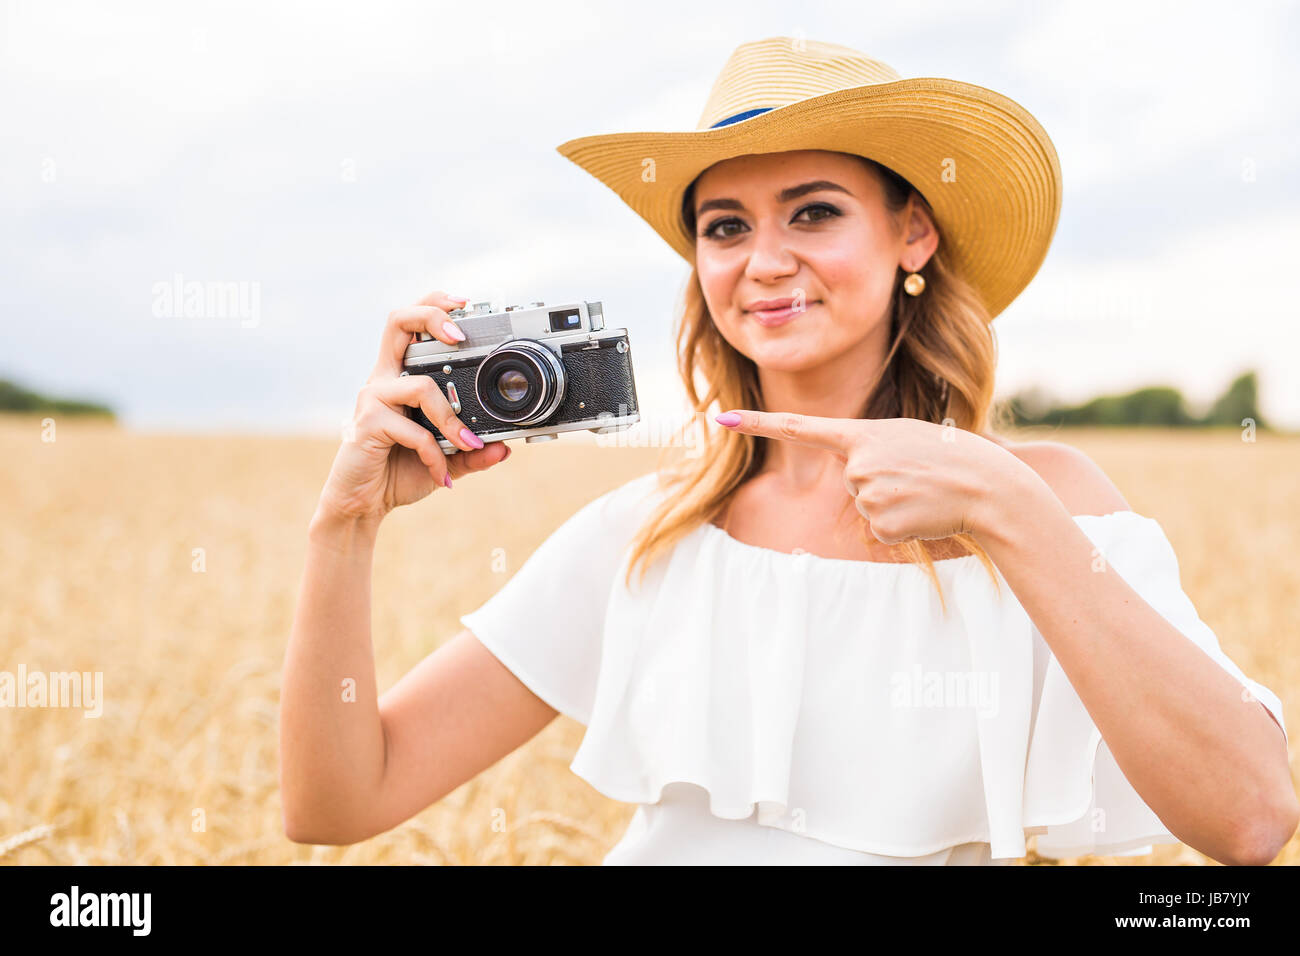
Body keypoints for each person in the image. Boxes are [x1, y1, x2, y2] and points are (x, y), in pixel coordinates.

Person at [279, 37, 1296, 865]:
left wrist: (1009, 512)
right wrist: (344, 524)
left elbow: (1249, 818)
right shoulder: (646, 536)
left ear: (914, 235)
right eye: (724, 227)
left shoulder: (1041, 499)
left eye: (813, 210)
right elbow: (338, 799)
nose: (764, 262)